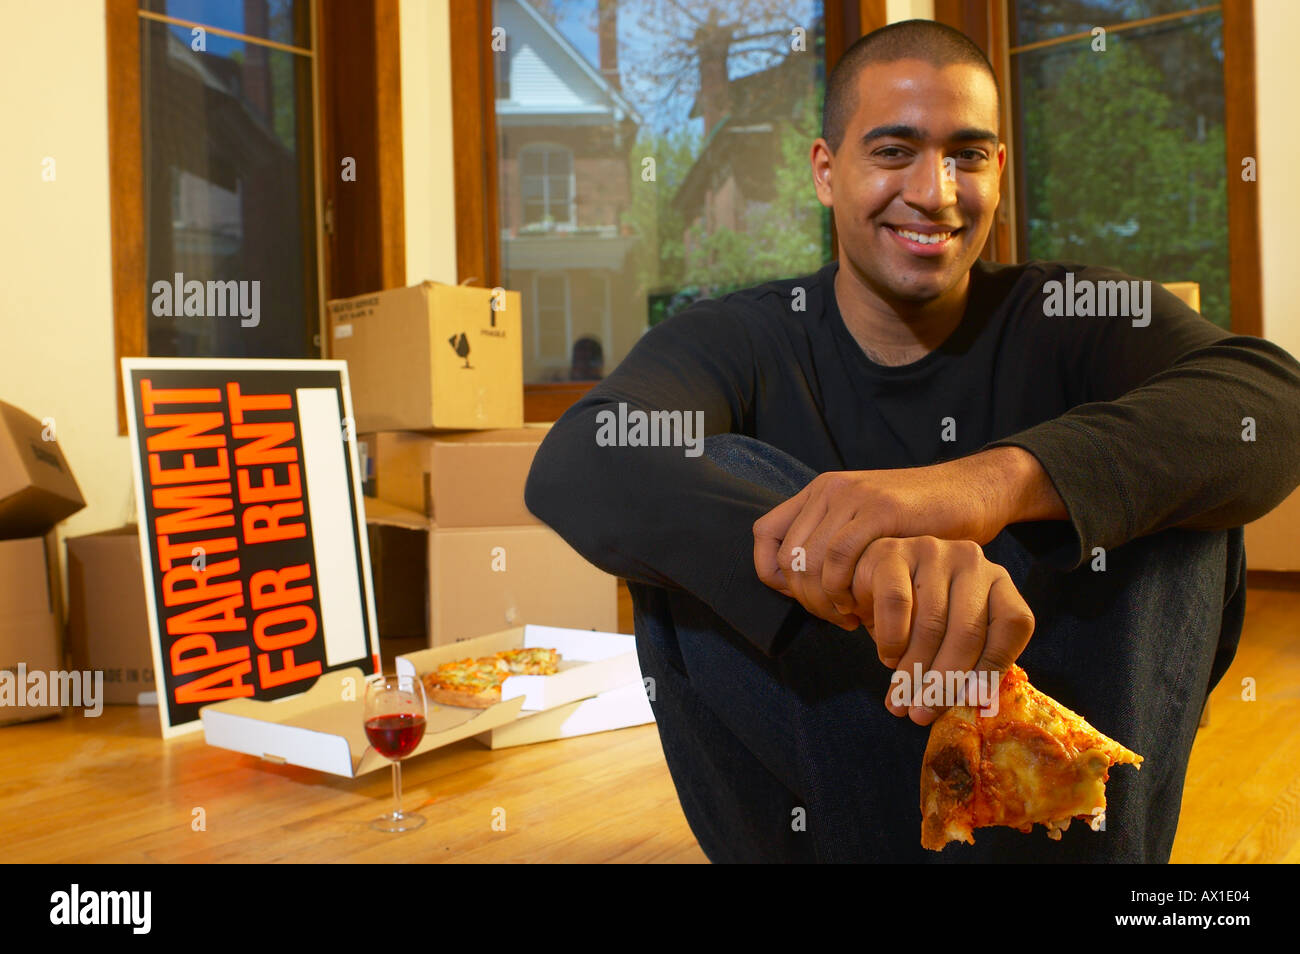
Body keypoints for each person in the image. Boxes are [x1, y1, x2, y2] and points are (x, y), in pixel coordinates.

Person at [523, 19, 1300, 862]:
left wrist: (980, 487)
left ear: (999, 171)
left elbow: (1272, 401)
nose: (934, 191)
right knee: (718, 489)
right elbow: (583, 455)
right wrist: (865, 557)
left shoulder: (1071, 313)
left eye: (967, 155)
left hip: (1058, 780)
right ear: (827, 170)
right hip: (833, 797)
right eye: (893, 152)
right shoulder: (744, 336)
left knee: (1180, 475)